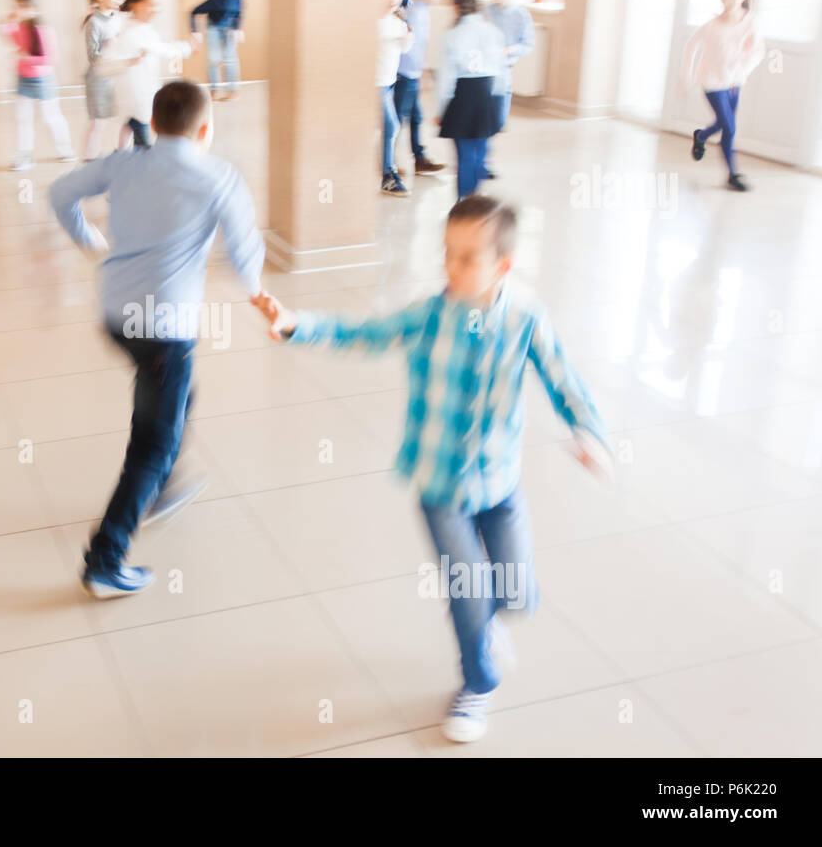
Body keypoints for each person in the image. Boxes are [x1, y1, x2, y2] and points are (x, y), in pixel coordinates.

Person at [252, 194, 611, 743]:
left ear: (503, 266)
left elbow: (564, 379)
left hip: (499, 483)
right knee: (468, 591)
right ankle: (477, 682)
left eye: (468, 258)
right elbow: (363, 334)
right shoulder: (429, 315)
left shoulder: (524, 319)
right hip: (439, 486)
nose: (452, 267)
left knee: (514, 594)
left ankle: (492, 624)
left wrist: (589, 432)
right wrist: (297, 323)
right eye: (447, 253)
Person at [48, 80, 269, 597]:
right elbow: (243, 253)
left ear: (156, 121)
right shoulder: (218, 176)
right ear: (205, 129)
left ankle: (163, 485)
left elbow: (60, 192)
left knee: (175, 394)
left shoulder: (127, 162)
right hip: (162, 330)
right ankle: (106, 558)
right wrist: (260, 295)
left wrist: (88, 239)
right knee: (152, 442)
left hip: (116, 316)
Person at [682, 0, 765, 192]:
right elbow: (691, 47)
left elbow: (757, 51)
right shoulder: (712, 26)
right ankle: (732, 174)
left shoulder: (750, 22)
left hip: (734, 84)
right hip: (711, 83)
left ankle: (701, 135)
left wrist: (742, 70)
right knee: (729, 127)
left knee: (723, 124)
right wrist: (687, 78)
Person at [100, 0, 193, 150]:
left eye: (157, 5)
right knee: (145, 151)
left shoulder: (143, 29)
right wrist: (129, 62)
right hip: (136, 103)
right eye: (151, 4)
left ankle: (121, 163)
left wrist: (187, 47)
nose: (156, 9)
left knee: (136, 147)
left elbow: (163, 48)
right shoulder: (129, 33)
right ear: (136, 4)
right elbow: (103, 67)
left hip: (141, 104)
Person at [436, 0, 506, 199]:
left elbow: (446, 78)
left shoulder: (451, 35)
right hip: (487, 96)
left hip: (462, 97)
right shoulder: (492, 31)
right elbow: (501, 72)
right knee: (480, 154)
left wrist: (441, 109)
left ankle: (463, 204)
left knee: (465, 155)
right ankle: (475, 201)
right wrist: (498, 104)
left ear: (455, 4)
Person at [1, 0, 75, 171]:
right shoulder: (19, 27)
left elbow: (51, 59)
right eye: (17, 7)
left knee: (50, 117)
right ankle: (25, 156)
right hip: (23, 79)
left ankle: (65, 150)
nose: (20, 10)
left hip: (43, 79)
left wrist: (27, 58)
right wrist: (8, 21)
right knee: (22, 118)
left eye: (24, 6)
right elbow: (7, 35)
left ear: (33, 9)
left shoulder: (44, 31)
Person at [483, 0, 534, 180]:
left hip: (504, 75)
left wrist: (509, 50)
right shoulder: (486, 12)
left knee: (498, 121)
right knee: (484, 120)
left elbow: (527, 44)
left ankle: (484, 157)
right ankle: (482, 163)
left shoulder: (521, 15)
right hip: (485, 75)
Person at [394, 0, 445, 175]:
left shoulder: (423, 11)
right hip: (405, 74)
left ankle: (419, 158)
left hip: (413, 74)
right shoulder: (414, 12)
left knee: (416, 118)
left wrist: (422, 73)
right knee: (398, 120)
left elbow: (420, 46)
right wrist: (420, 72)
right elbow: (410, 47)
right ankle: (388, 163)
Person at [81, 0, 128, 161]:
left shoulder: (117, 18)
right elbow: (93, 57)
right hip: (98, 80)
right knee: (98, 123)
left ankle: (122, 154)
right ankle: (89, 158)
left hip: (116, 77)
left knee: (125, 117)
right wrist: (111, 46)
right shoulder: (94, 23)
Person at [377, 0, 415, 196]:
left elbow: (404, 49)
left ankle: (387, 170)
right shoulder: (375, 22)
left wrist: (406, 35)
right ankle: (388, 175)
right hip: (376, 85)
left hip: (389, 83)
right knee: (391, 126)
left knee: (389, 127)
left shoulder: (397, 22)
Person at [189, 0, 245, 101]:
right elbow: (193, 12)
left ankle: (233, 91)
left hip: (230, 27)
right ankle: (214, 89)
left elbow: (239, 13)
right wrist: (195, 31)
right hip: (214, 27)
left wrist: (238, 29)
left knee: (231, 59)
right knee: (214, 59)